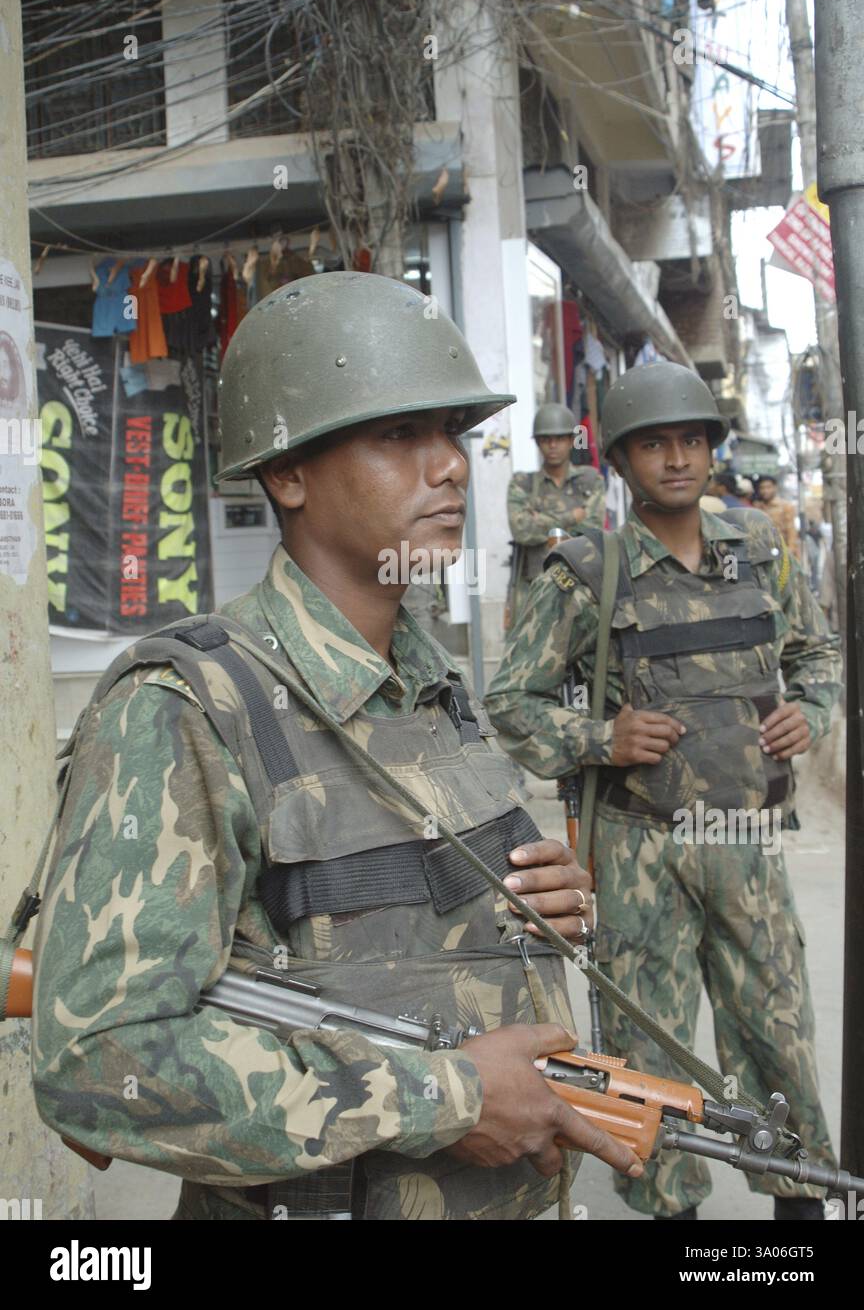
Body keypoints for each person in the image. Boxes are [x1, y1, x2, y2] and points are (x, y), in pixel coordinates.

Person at [31, 271, 640, 1222]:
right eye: (400, 436)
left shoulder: (435, 686)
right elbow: (97, 1063)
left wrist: (531, 913)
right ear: (287, 472)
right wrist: (445, 1096)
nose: (449, 467)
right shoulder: (189, 710)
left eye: (454, 434)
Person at [486, 361, 841, 1222]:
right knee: (656, 1047)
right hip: (641, 847)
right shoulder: (586, 571)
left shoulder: (760, 549)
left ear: (711, 450)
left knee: (776, 1032)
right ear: (621, 460)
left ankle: (798, 1208)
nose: (676, 459)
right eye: (654, 444)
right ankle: (674, 1217)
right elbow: (512, 701)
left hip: (745, 843)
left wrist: (812, 713)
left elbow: (817, 657)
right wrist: (602, 737)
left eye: (691, 440)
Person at [506, 402, 605, 626]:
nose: (552, 445)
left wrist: (540, 518)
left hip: (583, 584)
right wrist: (570, 517)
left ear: (571, 440)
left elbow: (592, 529)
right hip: (534, 587)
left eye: (559, 438)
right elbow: (522, 530)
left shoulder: (590, 480)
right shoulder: (523, 483)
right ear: (538, 443)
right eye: (545, 439)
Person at [754, 474, 801, 559]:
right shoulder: (757, 507)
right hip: (763, 554)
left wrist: (789, 554)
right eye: (762, 488)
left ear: (775, 488)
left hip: (782, 553)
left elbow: (792, 533)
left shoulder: (786, 507)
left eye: (768, 487)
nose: (765, 491)